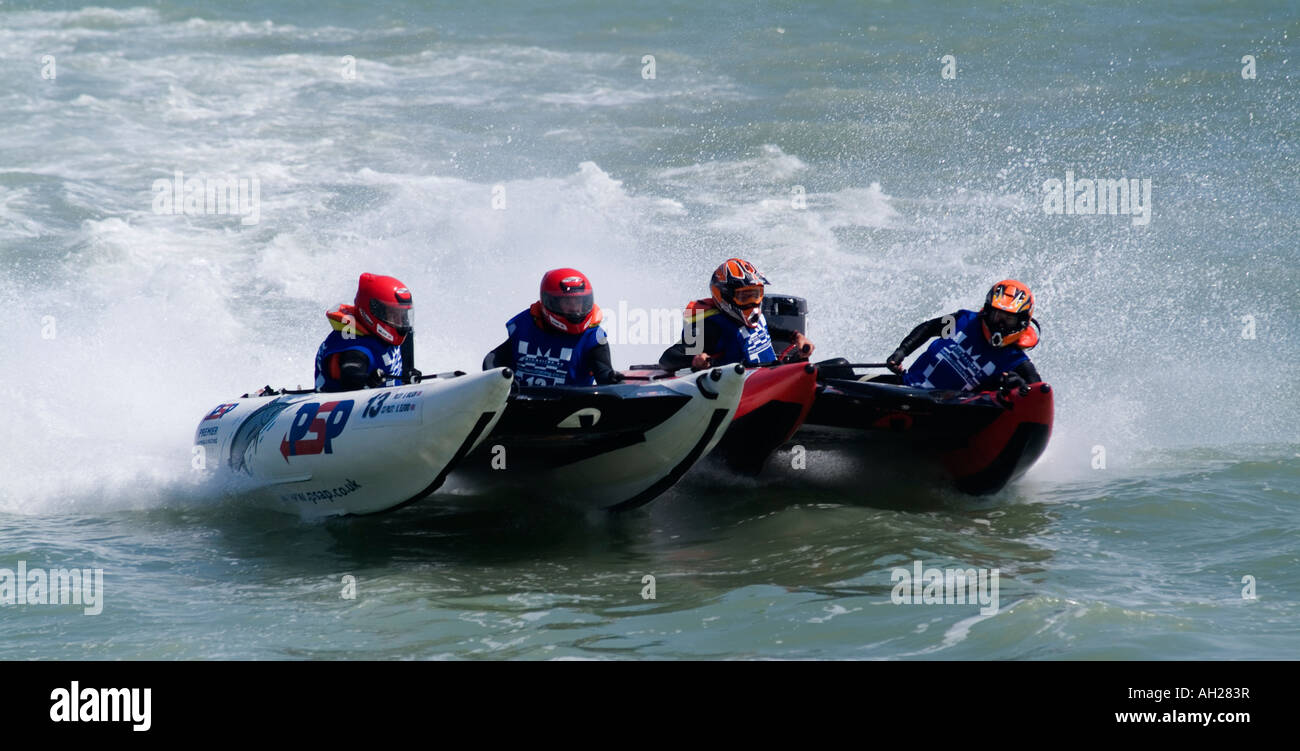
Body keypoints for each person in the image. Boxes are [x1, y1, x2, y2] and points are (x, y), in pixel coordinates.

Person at [884, 279, 1042, 392]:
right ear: (988, 311)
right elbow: (930, 328)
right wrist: (902, 351)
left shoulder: (1015, 360)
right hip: (906, 388)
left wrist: (1020, 387)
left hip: (949, 416)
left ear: (1022, 322)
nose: (1000, 324)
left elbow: (1038, 395)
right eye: (997, 316)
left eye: (1009, 319)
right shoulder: (964, 321)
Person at [658, 258, 814, 371]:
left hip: (766, 376)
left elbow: (767, 331)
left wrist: (796, 337)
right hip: (731, 388)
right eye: (744, 296)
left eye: (756, 295)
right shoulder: (709, 328)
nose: (753, 302)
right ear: (723, 296)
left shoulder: (754, 319)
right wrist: (694, 360)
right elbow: (667, 358)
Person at [482, 268, 623, 386]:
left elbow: (603, 374)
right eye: (567, 302)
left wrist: (612, 378)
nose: (575, 309)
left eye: (579, 302)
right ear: (549, 302)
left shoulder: (593, 337)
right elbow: (493, 360)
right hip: (518, 404)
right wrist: (499, 383)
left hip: (569, 410)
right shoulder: (525, 325)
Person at [314, 273, 417, 392]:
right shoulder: (352, 342)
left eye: (403, 316)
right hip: (341, 404)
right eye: (393, 315)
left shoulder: (393, 336)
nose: (401, 322)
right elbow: (350, 378)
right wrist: (369, 381)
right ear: (373, 311)